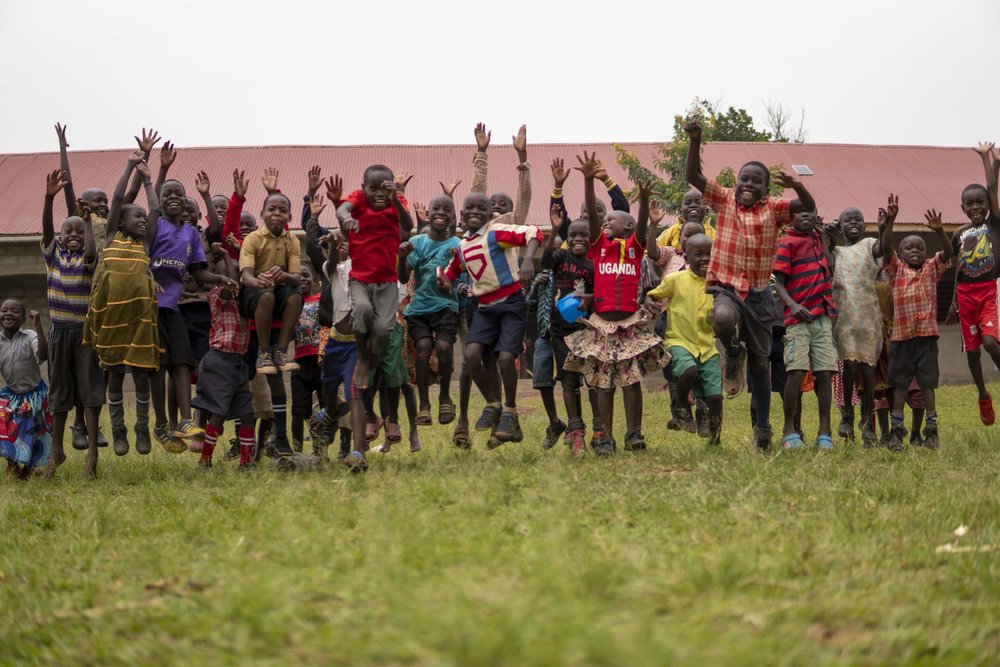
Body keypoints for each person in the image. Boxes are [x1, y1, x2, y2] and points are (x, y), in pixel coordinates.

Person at [684, 119, 816, 452]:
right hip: (727, 288)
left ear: (766, 188)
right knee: (723, 319)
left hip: (758, 294)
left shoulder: (774, 209)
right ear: (736, 181)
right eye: (745, 178)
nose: (749, 185)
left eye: (757, 181)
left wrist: (798, 186)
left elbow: (808, 207)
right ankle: (731, 352)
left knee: (760, 366)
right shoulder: (725, 199)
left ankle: (763, 430)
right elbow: (694, 177)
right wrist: (695, 140)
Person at [439, 125, 540, 447]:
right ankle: (483, 413)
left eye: (497, 206)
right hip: (480, 303)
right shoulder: (469, 237)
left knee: (504, 360)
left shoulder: (505, 226)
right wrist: (481, 153)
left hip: (509, 299)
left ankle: (506, 411)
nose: (491, 208)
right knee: (472, 359)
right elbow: (475, 195)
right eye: (486, 205)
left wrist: (522, 158)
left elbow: (523, 201)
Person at [563, 154, 668, 455]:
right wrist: (587, 180)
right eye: (605, 220)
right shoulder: (599, 248)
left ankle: (634, 433)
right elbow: (592, 220)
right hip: (602, 326)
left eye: (613, 220)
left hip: (629, 324)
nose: (606, 221)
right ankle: (604, 436)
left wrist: (645, 200)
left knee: (631, 381)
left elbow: (643, 221)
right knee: (604, 383)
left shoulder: (634, 248)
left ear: (628, 226)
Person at [148, 148, 234, 451]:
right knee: (159, 365)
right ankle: (161, 423)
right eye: (167, 193)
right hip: (151, 306)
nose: (173, 198)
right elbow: (152, 203)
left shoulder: (190, 235)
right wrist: (159, 171)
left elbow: (199, 271)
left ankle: (185, 420)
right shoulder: (154, 225)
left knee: (182, 361)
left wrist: (221, 278)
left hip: (174, 307)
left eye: (179, 194)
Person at [83, 150, 161, 470]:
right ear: (121, 222)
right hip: (112, 320)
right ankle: (118, 430)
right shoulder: (112, 238)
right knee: (113, 376)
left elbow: (154, 208)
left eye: (144, 218)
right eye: (136, 217)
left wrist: (147, 179)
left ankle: (142, 426)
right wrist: (130, 166)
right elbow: (116, 198)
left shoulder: (144, 245)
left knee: (141, 376)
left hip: (141, 320)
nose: (142, 220)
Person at [40, 170, 104, 479]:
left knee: (90, 391)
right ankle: (56, 452)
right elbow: (48, 231)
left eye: (80, 230)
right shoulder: (54, 256)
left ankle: (92, 453)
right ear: (62, 237)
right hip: (59, 332)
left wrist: (88, 221)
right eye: (70, 230)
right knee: (60, 393)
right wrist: (49, 198)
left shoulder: (88, 259)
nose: (75, 234)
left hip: (85, 334)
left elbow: (92, 251)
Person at [53, 122, 110, 450]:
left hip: (103, 297)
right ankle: (76, 426)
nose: (100, 204)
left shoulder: (111, 219)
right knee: (77, 367)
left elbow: (122, 197)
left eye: (103, 200)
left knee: (94, 366)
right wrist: (63, 149)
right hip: (81, 292)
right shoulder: (79, 221)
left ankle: (91, 424)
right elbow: (67, 184)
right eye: (93, 201)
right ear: (80, 206)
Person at [881, 202, 953, 450]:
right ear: (900, 254)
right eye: (908, 247)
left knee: (927, 384)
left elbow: (948, 252)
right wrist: (890, 221)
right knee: (900, 384)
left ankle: (931, 431)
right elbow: (886, 246)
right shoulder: (896, 271)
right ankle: (896, 432)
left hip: (927, 338)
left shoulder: (932, 269)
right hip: (902, 339)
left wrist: (940, 231)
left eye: (920, 248)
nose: (915, 250)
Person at [336, 164, 414, 392]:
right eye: (373, 188)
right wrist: (346, 218)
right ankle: (362, 356)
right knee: (362, 310)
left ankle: (373, 354)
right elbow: (342, 210)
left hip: (387, 281)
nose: (379, 193)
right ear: (363, 188)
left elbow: (408, 226)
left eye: (384, 188)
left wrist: (396, 199)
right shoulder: (359, 199)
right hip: (360, 279)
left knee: (382, 330)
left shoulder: (395, 203)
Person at [645, 233, 723, 446]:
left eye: (710, 254)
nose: (706, 258)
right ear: (687, 258)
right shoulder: (674, 280)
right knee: (688, 370)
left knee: (715, 398)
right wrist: (648, 301)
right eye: (699, 254)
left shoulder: (717, 284)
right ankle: (681, 405)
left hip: (708, 347)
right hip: (679, 341)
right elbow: (653, 294)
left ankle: (715, 440)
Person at [772, 211, 838, 450]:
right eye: (800, 214)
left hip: (822, 317)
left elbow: (829, 268)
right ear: (791, 219)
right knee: (796, 372)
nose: (806, 218)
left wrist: (824, 240)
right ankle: (789, 431)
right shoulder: (788, 242)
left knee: (824, 373)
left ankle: (824, 432)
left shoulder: (817, 241)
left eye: (811, 214)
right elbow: (778, 282)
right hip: (797, 318)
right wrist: (793, 305)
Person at [945, 142, 1000, 425]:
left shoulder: (994, 226)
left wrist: (989, 159)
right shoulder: (960, 233)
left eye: (981, 202)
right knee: (973, 350)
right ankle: (982, 394)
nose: (977, 206)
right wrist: (953, 299)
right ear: (963, 208)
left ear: (988, 205)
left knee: (991, 342)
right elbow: (960, 268)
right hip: (965, 296)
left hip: (988, 292)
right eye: (971, 203)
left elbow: (992, 188)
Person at [190, 245, 256, 470]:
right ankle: (205, 460)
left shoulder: (243, 300)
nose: (235, 277)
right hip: (219, 360)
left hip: (238, 363)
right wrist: (229, 256)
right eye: (231, 273)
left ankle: (246, 462)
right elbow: (229, 286)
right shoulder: (219, 294)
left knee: (247, 413)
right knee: (217, 413)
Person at [398, 195, 460, 426]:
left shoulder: (456, 245)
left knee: (444, 347)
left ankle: (445, 396)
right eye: (436, 209)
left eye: (447, 209)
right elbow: (403, 277)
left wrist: (451, 284)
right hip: (419, 309)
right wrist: (401, 258)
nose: (441, 213)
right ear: (429, 213)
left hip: (445, 306)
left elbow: (462, 275)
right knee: (423, 348)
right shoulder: (419, 242)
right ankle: (424, 403)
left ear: (453, 217)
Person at [830, 201, 888, 445]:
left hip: (868, 318)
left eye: (858, 219)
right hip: (845, 319)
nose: (853, 222)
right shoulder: (836, 252)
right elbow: (824, 257)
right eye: (847, 220)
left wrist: (887, 227)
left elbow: (884, 248)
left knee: (868, 371)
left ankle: (866, 422)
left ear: (866, 226)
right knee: (850, 365)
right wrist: (828, 237)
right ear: (840, 227)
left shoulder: (869, 245)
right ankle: (846, 416)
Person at [539, 205, 594, 458]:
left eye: (584, 235)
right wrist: (553, 230)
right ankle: (575, 430)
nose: (578, 239)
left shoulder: (594, 262)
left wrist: (589, 299)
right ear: (567, 237)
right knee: (568, 379)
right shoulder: (561, 256)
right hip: (560, 330)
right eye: (573, 235)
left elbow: (601, 294)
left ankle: (601, 431)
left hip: (587, 329)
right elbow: (545, 261)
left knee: (593, 381)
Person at [0, 301, 51, 480]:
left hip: (34, 393)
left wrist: (38, 326)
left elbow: (43, 356)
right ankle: (12, 465)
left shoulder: (29, 335)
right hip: (11, 392)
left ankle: (29, 469)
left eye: (15, 311)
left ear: (23, 319)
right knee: (2, 419)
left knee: (28, 426)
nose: (9, 313)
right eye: (4, 310)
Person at [290, 264, 322, 452]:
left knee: (324, 407)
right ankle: (297, 450)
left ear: (313, 280)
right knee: (298, 410)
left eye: (306, 275)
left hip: (320, 361)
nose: (302, 278)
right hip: (300, 362)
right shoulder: (291, 303)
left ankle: (320, 449)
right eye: (298, 275)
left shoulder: (320, 300)